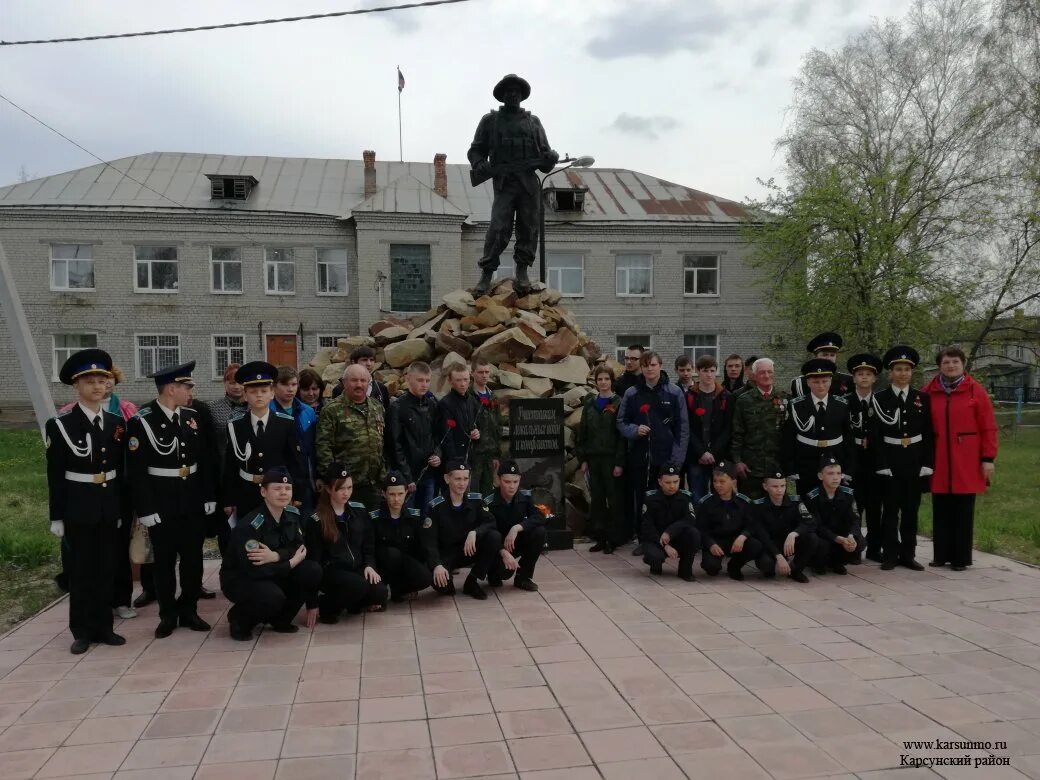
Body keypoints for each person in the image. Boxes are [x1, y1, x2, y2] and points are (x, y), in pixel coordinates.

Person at [46, 349, 128, 654]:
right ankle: (81, 630)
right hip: (78, 508)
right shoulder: (61, 426)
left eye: (102, 380)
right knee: (81, 572)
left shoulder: (115, 423)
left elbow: (120, 472)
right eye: (90, 381)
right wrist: (57, 516)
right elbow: (55, 475)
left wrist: (119, 509)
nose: (97, 386)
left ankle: (104, 626)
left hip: (108, 506)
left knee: (107, 568)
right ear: (76, 387)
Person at [126, 361, 215, 639]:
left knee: (193, 559)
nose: (191, 391)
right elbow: (136, 471)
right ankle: (168, 614)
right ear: (171, 388)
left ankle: (189, 609)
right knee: (163, 562)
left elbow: (207, 459)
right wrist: (146, 508)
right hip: (161, 501)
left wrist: (209, 494)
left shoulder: (193, 416)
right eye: (187, 386)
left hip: (192, 499)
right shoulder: (142, 421)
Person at [469, 73, 559, 296]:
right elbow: (475, 149)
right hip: (504, 183)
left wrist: (551, 159)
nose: (512, 94)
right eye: (508, 91)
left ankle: (522, 271)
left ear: (521, 95)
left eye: (516, 91)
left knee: (529, 228)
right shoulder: (490, 121)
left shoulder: (533, 123)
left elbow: (545, 162)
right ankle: (486, 274)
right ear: (502, 95)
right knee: (498, 228)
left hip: (528, 184)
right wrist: (479, 163)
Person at [220, 467, 321, 640]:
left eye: (288, 488)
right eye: (277, 488)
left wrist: (276, 556)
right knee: (272, 596)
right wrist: (289, 562)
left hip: (272, 570)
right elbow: (255, 570)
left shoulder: (291, 515)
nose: (283, 493)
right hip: (243, 579)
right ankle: (239, 619)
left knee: (312, 570)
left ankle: (280, 620)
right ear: (263, 492)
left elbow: (300, 548)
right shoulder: (250, 525)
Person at [921, 346, 998, 571]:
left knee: (963, 509)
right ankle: (941, 554)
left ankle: (961, 558)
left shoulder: (976, 391)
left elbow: (989, 427)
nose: (951, 366)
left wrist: (988, 458)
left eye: (955, 361)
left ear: (963, 364)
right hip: (940, 459)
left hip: (967, 459)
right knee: (941, 508)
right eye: (946, 362)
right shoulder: (928, 391)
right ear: (939, 366)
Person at [618, 350, 689, 556]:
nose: (650, 368)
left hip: (667, 457)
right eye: (646, 365)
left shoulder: (674, 392)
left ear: (660, 366)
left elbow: (683, 428)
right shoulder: (632, 393)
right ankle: (645, 539)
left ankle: (672, 539)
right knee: (643, 500)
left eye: (653, 364)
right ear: (642, 367)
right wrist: (634, 430)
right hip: (641, 457)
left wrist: (677, 459)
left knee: (670, 500)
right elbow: (621, 422)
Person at [871, 347, 932, 571]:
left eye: (907, 369)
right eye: (898, 369)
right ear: (890, 373)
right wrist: (882, 464)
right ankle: (890, 554)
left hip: (914, 462)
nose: (903, 373)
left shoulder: (922, 398)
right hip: (891, 461)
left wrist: (927, 463)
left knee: (910, 511)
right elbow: (876, 437)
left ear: (912, 372)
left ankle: (908, 554)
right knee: (890, 512)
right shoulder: (880, 399)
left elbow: (928, 433)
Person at [305, 463, 388, 623]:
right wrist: (312, 602)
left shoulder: (359, 511)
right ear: (329, 489)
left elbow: (368, 546)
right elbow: (313, 562)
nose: (346, 493)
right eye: (341, 488)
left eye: (349, 488)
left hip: (357, 569)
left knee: (380, 593)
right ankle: (327, 608)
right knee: (358, 586)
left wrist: (369, 565)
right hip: (332, 572)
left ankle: (352, 603)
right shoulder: (316, 520)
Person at [223, 361, 303, 519]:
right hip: (246, 492)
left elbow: (294, 461)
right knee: (249, 537)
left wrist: (297, 493)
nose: (259, 395)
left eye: (264, 390)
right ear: (245, 395)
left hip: (277, 492)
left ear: (272, 393)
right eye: (253, 391)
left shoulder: (286, 423)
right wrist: (228, 498)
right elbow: (230, 466)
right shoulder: (235, 426)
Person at [422, 460, 501, 600]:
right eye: (457, 479)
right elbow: (430, 542)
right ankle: (448, 577)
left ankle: (472, 581)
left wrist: (475, 532)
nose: (462, 483)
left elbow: (491, 521)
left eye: (465, 478)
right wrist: (437, 565)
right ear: (447, 479)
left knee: (493, 537)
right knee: (442, 586)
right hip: (447, 554)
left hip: (468, 550)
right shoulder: (436, 506)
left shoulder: (475, 500)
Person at [316, 364, 386, 511]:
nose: (359, 384)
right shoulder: (332, 410)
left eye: (363, 380)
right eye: (354, 380)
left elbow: (382, 441)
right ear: (344, 382)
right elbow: (323, 447)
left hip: (374, 484)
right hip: (345, 486)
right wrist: (332, 480)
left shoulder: (377, 407)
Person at [782, 358, 855, 497]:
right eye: (816, 382)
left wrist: (849, 469)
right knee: (807, 503)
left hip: (835, 461)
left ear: (830, 381)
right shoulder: (796, 405)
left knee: (833, 504)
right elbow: (788, 438)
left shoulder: (842, 404)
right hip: (806, 463)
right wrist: (790, 469)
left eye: (824, 381)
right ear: (808, 382)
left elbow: (848, 438)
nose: (821, 386)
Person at [576, 365, 626, 553]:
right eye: (599, 379)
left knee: (613, 500)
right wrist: (583, 458)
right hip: (593, 458)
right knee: (597, 499)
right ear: (595, 382)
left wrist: (620, 462)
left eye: (606, 379)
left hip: (611, 459)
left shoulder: (619, 403)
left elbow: (621, 436)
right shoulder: (590, 403)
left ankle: (613, 539)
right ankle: (600, 537)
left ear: (611, 381)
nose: (603, 382)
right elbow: (583, 432)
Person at [484, 460, 548, 591]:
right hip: (496, 548)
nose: (512, 486)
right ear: (499, 480)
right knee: (504, 573)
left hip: (514, 542)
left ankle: (523, 578)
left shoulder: (524, 497)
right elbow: (485, 532)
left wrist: (517, 527)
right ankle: (493, 574)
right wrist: (502, 551)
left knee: (539, 532)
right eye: (507, 482)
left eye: (515, 482)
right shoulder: (489, 501)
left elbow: (539, 516)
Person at [388, 361, 441, 514]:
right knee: (407, 517)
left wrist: (438, 454)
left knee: (426, 517)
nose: (424, 384)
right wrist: (406, 476)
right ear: (409, 379)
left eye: (427, 380)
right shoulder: (397, 407)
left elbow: (438, 435)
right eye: (420, 380)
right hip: (407, 476)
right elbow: (394, 445)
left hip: (429, 473)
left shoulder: (432, 405)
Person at [731, 358, 789, 500]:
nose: (767, 376)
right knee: (750, 508)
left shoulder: (784, 398)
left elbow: (788, 434)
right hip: (751, 466)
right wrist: (737, 461)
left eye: (770, 372)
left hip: (776, 465)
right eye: (762, 372)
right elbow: (737, 432)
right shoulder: (744, 400)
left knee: (776, 506)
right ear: (755, 375)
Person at [371, 471, 433, 601]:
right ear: (384, 494)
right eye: (392, 494)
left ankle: (400, 589)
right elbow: (370, 549)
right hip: (382, 569)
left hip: (404, 563)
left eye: (400, 494)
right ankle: (382, 590)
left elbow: (420, 549)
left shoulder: (414, 517)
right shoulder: (374, 519)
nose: (396, 499)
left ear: (406, 492)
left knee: (426, 578)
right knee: (391, 554)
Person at [845, 353, 883, 562]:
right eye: (860, 374)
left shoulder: (881, 401)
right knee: (854, 508)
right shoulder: (846, 402)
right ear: (853, 378)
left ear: (874, 378)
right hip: (854, 461)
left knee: (875, 507)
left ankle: (875, 548)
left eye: (868, 374)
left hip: (875, 462)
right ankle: (855, 548)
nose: (864, 378)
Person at [696, 462, 762, 579]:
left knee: (755, 545)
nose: (718, 485)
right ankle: (714, 562)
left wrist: (743, 536)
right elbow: (701, 529)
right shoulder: (707, 503)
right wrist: (711, 544)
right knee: (711, 568)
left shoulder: (743, 502)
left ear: (733, 482)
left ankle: (734, 566)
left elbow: (752, 524)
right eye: (715, 481)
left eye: (722, 482)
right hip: (716, 541)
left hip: (735, 541)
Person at [684, 355, 733, 501]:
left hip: (718, 456)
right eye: (705, 371)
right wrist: (701, 452)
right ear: (697, 371)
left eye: (712, 371)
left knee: (721, 496)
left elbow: (728, 428)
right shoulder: (689, 396)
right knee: (698, 497)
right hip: (696, 457)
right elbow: (687, 428)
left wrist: (713, 452)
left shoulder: (725, 396)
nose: (709, 374)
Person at [752, 473, 818, 583]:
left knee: (812, 538)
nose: (779, 490)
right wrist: (778, 556)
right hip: (770, 544)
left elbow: (810, 522)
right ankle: (773, 565)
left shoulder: (795, 501)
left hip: (790, 542)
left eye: (782, 486)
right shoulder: (758, 506)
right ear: (765, 487)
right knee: (766, 566)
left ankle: (796, 570)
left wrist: (794, 534)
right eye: (775, 486)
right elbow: (762, 534)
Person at [272, 365, 318, 517]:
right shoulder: (268, 411)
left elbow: (313, 447)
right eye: (285, 384)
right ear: (274, 386)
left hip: (305, 479)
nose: (290, 389)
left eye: (293, 384)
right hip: (278, 479)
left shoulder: (308, 411)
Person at [640, 464, 700, 581]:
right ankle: (655, 565)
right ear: (660, 482)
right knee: (654, 556)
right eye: (668, 483)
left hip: (677, 538)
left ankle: (685, 570)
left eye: (675, 482)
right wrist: (665, 545)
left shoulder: (685, 498)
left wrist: (669, 532)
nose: (672, 486)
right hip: (656, 540)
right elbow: (647, 527)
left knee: (693, 534)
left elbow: (690, 519)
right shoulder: (650, 499)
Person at [805, 455, 862, 575]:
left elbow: (855, 519)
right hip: (823, 535)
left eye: (838, 473)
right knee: (820, 544)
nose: (835, 477)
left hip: (840, 534)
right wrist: (836, 538)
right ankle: (816, 563)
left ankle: (838, 563)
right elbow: (816, 525)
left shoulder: (848, 494)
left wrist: (851, 536)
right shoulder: (812, 497)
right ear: (821, 476)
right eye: (830, 473)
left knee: (859, 542)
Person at [436, 363, 482, 466]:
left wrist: (477, 432)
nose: (462, 384)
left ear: (470, 379)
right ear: (450, 381)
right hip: (454, 459)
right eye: (458, 380)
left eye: (465, 379)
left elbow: (479, 424)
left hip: (471, 457)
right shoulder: (445, 404)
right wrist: (454, 463)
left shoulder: (472, 401)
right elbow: (446, 436)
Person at [469, 358, 501, 496]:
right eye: (480, 372)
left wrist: (496, 455)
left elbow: (497, 428)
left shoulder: (493, 396)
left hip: (490, 455)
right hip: (473, 456)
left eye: (487, 372)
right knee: (473, 493)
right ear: (472, 373)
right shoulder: (468, 396)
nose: (484, 375)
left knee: (488, 494)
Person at [790, 332, 854, 398]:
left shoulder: (848, 381)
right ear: (816, 356)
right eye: (825, 355)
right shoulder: (800, 383)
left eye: (832, 355)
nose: (829, 358)